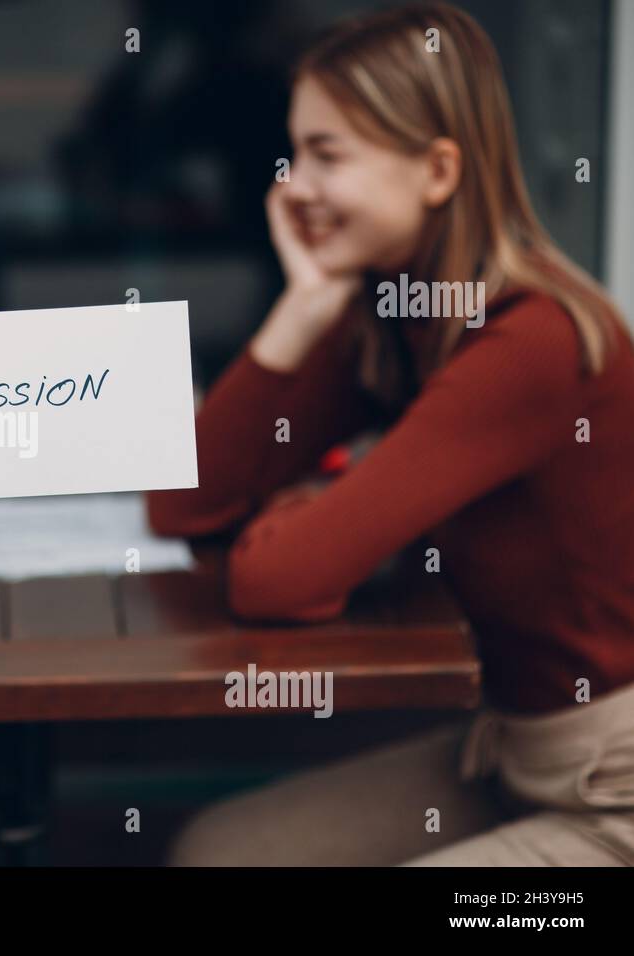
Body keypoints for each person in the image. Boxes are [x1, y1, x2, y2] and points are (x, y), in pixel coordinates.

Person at [148, 3, 634, 866]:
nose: (294, 186)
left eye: (328, 155)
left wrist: (317, 508)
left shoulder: (532, 340)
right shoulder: (396, 314)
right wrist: (300, 306)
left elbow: (276, 578)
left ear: (438, 170)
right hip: (505, 752)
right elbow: (183, 500)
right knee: (223, 853)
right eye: (295, 153)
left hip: (612, 799)